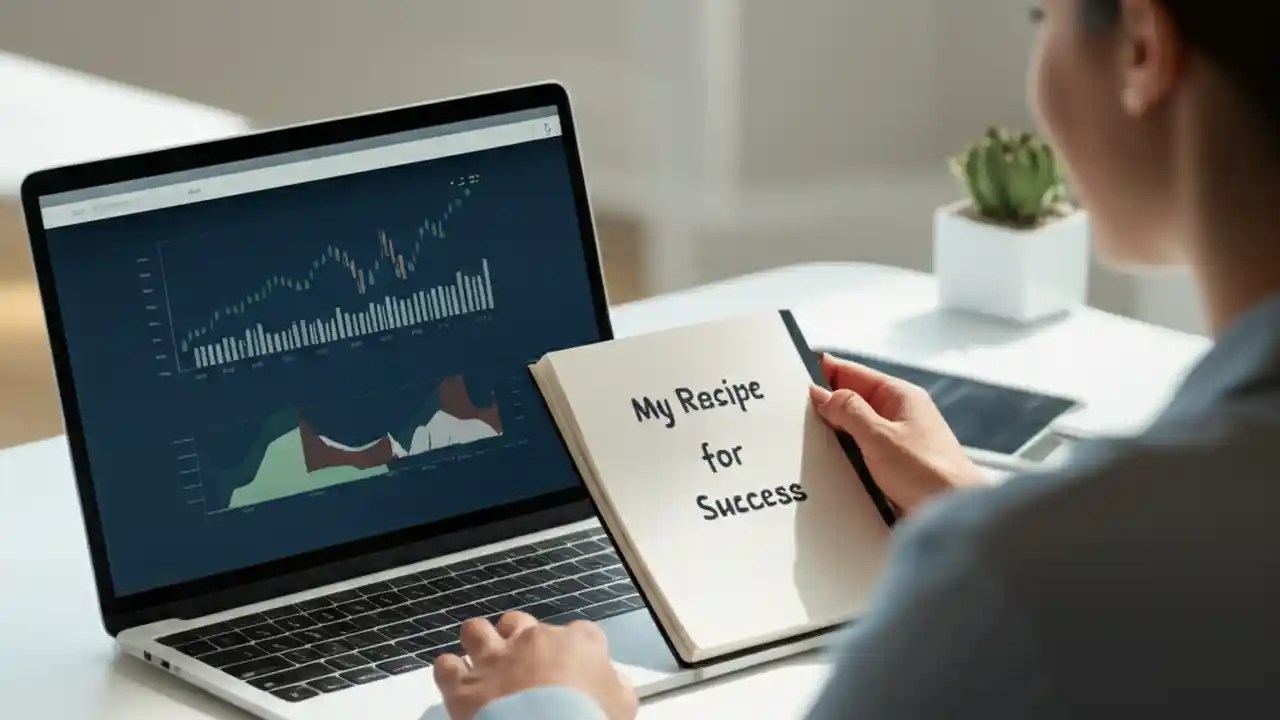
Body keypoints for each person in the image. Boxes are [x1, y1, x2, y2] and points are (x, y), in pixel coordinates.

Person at [432, 0, 1280, 717]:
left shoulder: (1019, 581)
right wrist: (981, 513)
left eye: (1041, 14)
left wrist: (552, 706)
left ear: (1141, 49)